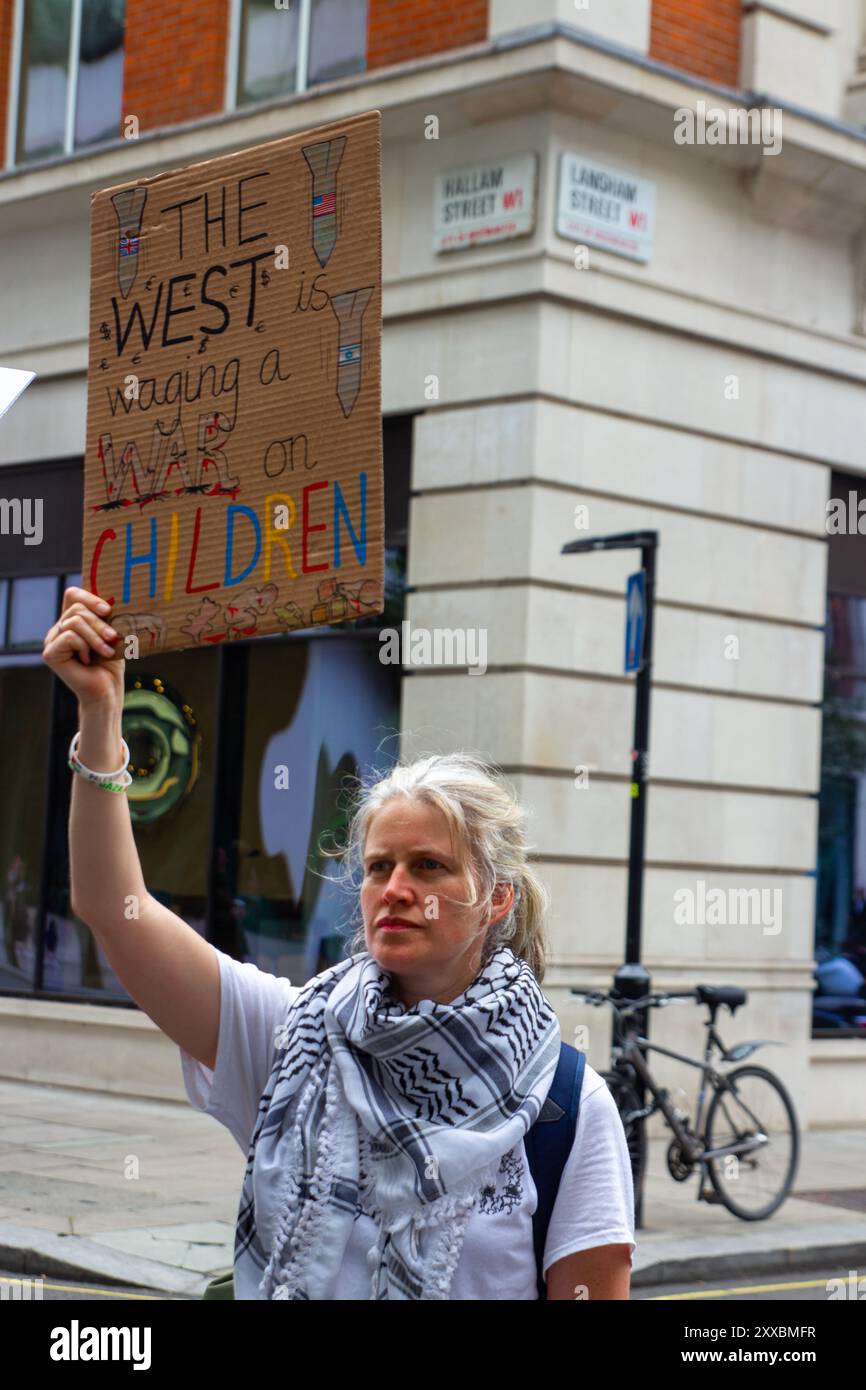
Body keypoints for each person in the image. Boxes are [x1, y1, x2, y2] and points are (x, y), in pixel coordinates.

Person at [43, 585, 635, 1301]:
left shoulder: (567, 1103)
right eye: (379, 867)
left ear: (496, 898)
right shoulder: (296, 1035)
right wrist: (102, 715)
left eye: (430, 866)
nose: (395, 887)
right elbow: (115, 910)